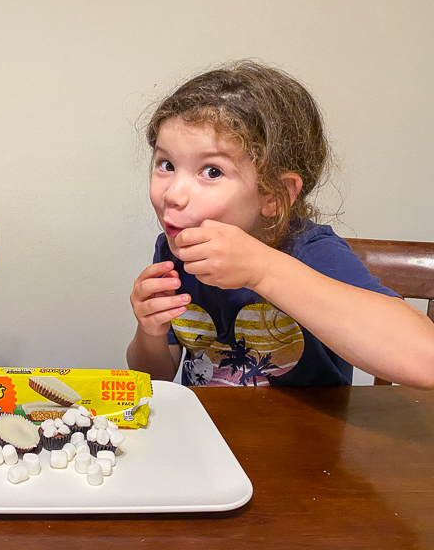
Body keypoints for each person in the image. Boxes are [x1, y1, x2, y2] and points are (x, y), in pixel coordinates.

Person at [127, 61, 434, 389]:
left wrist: (262, 271)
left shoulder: (311, 252)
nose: (173, 194)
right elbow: (154, 378)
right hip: (209, 433)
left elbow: (425, 360)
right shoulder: (174, 249)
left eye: (212, 171)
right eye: (166, 164)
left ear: (274, 195)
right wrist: (150, 332)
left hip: (306, 438)